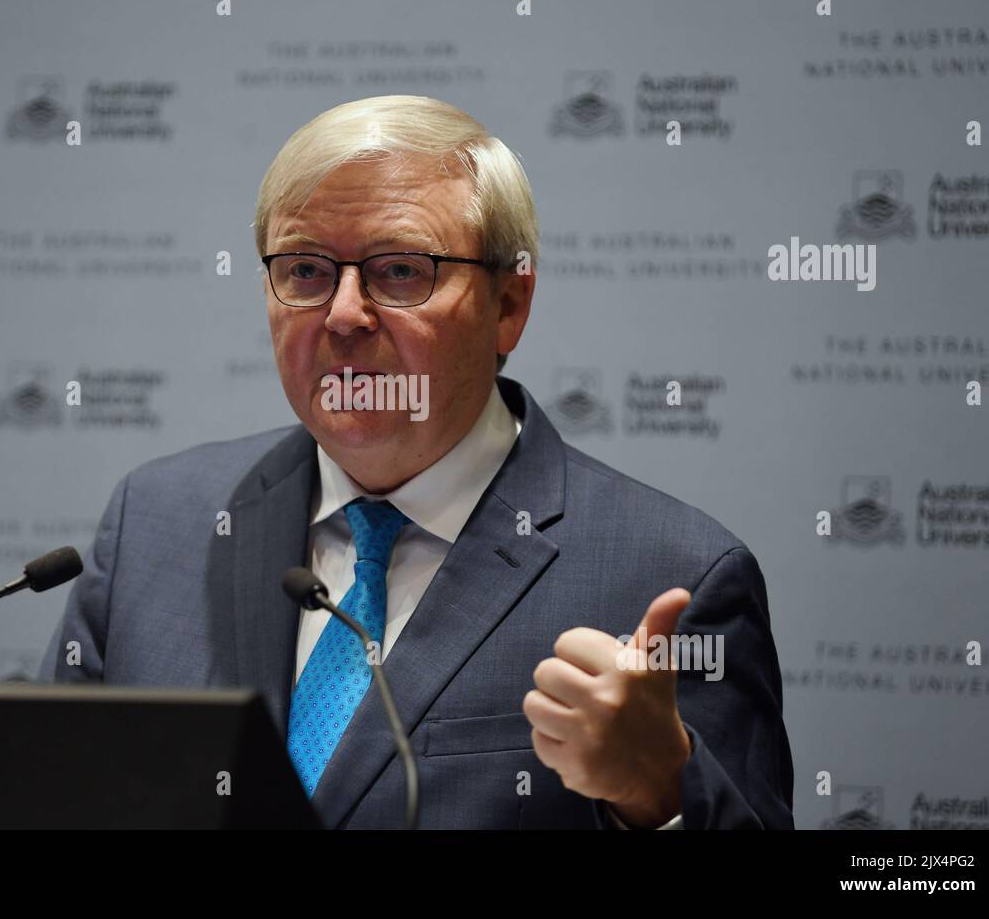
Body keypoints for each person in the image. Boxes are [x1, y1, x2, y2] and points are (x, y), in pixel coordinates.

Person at [39, 94, 794, 829]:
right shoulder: (157, 523)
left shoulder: (672, 577)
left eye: (401, 271)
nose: (342, 314)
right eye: (304, 270)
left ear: (509, 304)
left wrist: (657, 794)